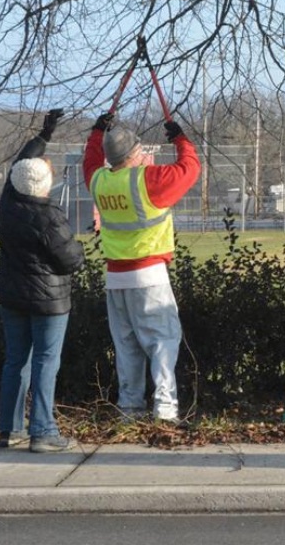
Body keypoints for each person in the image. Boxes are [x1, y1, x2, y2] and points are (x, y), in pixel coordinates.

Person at [83, 114, 200, 422]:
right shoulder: (146, 180)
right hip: (149, 276)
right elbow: (190, 169)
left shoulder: (99, 181)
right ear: (134, 154)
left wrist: (97, 131)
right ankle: (164, 409)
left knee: (127, 346)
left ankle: (131, 408)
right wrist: (181, 139)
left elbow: (91, 160)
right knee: (162, 342)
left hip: (115, 279)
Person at [0, 108, 86, 453]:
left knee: (15, 361)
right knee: (46, 362)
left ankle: (11, 429)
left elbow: (20, 165)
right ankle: (43, 431)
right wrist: (78, 245)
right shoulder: (49, 216)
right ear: (46, 185)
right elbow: (71, 260)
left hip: (12, 297)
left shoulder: (8, 204)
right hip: (49, 302)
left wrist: (43, 136)